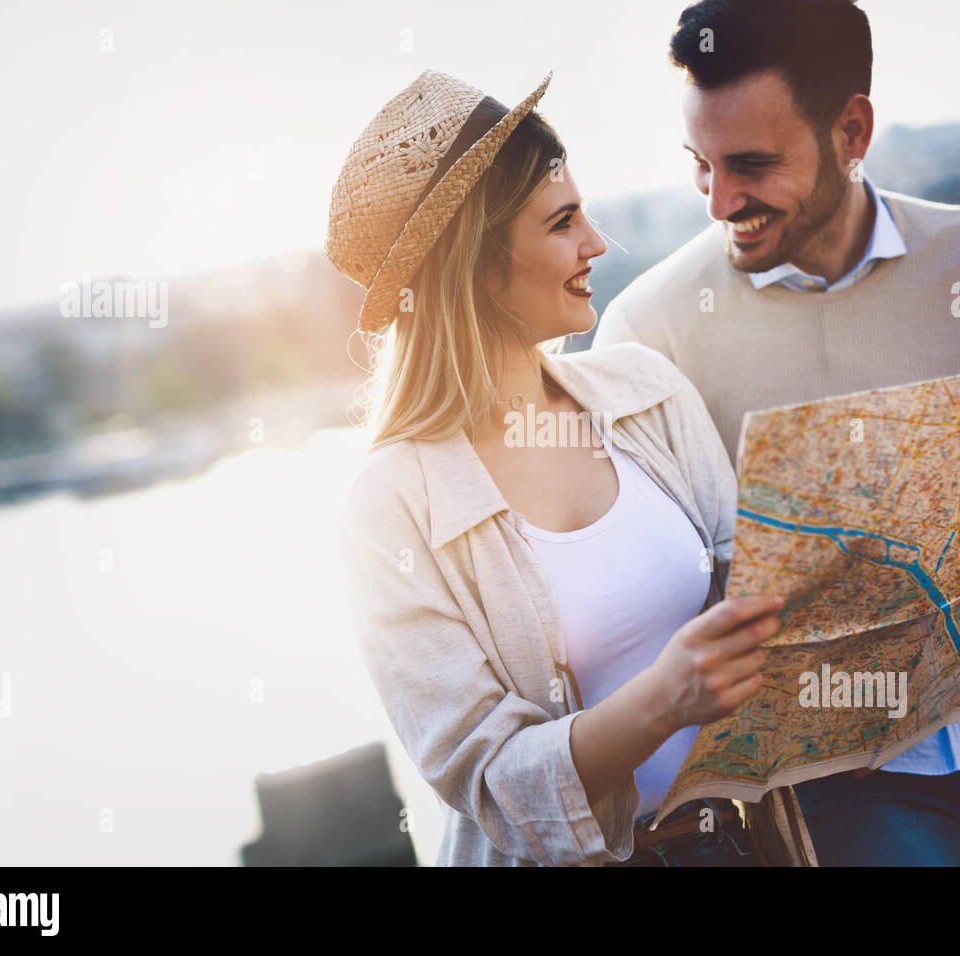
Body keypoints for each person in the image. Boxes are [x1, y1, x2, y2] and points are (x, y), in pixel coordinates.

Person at [591, 0, 960, 865]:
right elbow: (647, 609)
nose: (719, 201)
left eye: (750, 164)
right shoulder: (647, 333)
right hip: (839, 771)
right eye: (699, 166)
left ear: (851, 129)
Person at [328, 68, 817, 866]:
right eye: (562, 222)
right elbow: (489, 776)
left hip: (745, 846)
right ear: (478, 269)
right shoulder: (390, 509)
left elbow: (760, 599)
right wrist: (662, 702)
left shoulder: (648, 393)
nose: (597, 242)